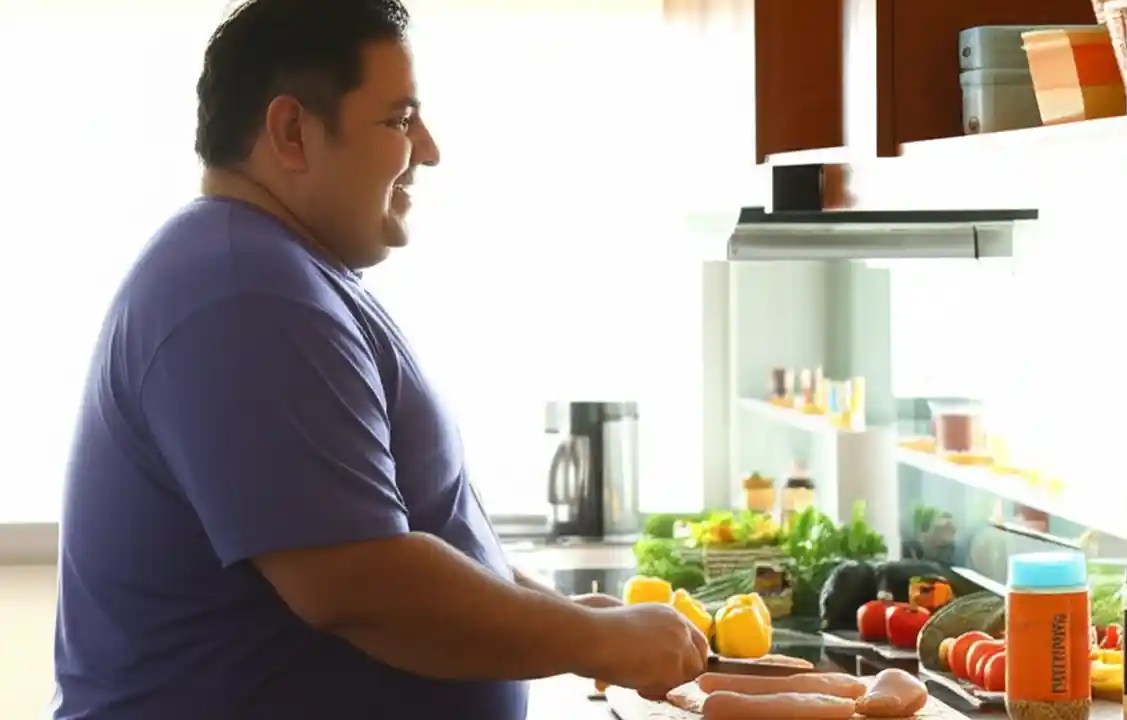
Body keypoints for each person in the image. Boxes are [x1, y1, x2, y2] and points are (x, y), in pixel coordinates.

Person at [52, 1, 708, 718]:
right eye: (399, 119)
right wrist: (592, 638)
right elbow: (363, 587)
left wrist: (564, 618)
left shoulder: (271, 272)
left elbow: (401, 537)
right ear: (292, 131)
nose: (427, 149)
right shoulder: (245, 293)